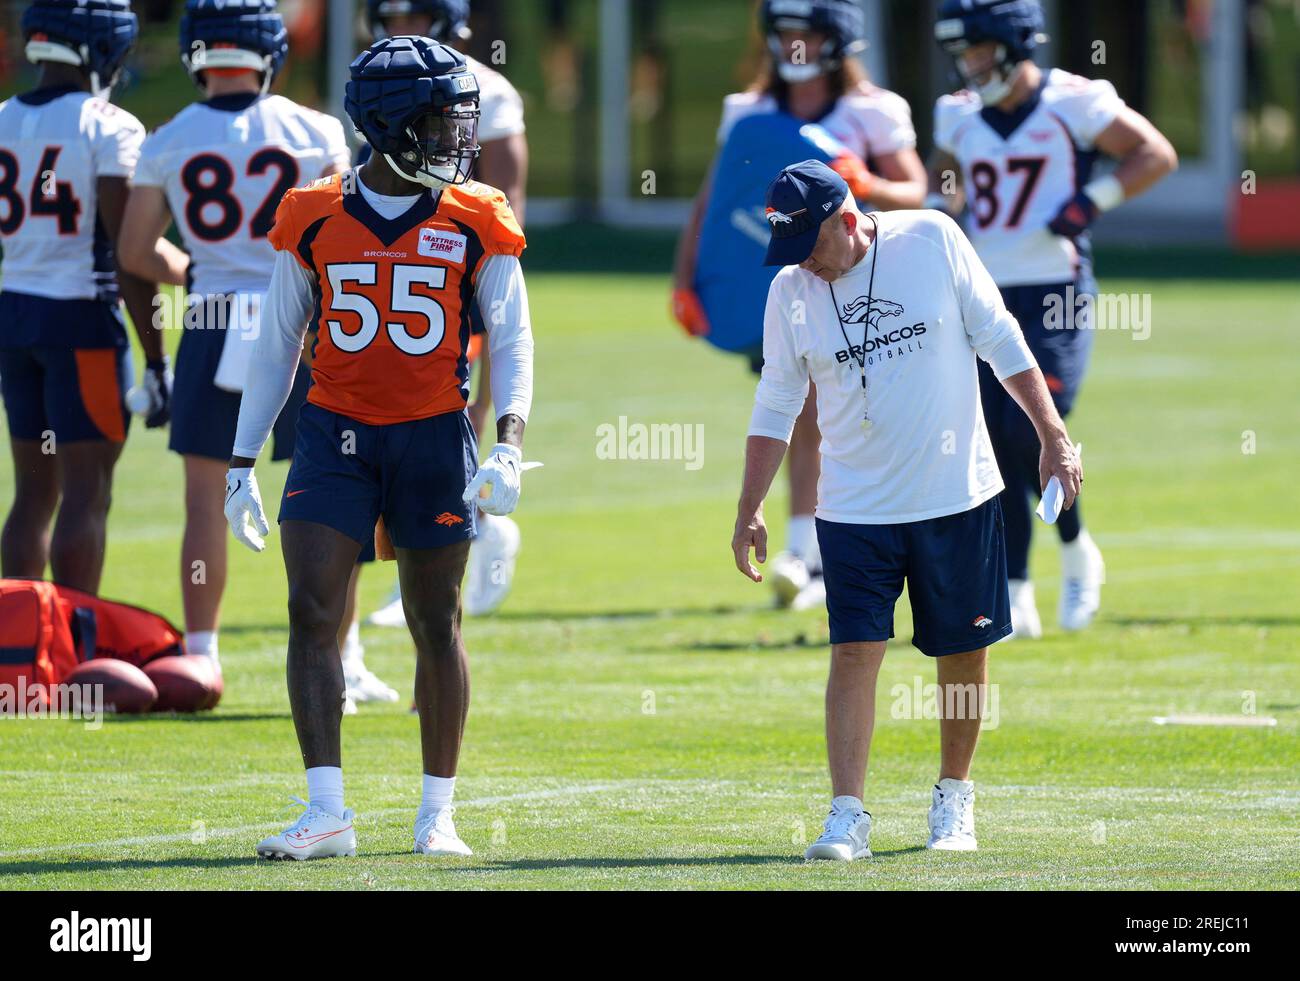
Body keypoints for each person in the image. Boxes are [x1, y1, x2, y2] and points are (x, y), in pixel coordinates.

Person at [223, 35, 535, 859]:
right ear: (393, 126)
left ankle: (438, 812)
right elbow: (275, 344)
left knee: (437, 619)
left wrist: (507, 442)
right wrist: (240, 460)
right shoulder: (314, 211)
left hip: (435, 435)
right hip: (334, 434)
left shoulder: (476, 215)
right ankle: (327, 811)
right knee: (311, 610)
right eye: (440, 123)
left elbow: (514, 336)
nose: (457, 140)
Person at [731, 160, 1082, 858]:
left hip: (958, 494)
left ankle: (955, 799)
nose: (802, 263)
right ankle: (846, 813)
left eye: (810, 244)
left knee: (963, 652)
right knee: (854, 650)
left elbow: (1000, 337)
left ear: (847, 220)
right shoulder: (789, 289)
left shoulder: (931, 239)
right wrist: (749, 506)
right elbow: (776, 399)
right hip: (854, 506)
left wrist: (1053, 435)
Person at [117, 0, 372, 688]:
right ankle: (338, 658)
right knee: (331, 489)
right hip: (307, 320)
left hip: (212, 318)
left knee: (205, 495)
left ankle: (201, 649)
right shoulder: (315, 128)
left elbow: (137, 250)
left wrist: (196, 271)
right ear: (272, 53)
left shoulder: (169, 136)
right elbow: (341, 236)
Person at [929, 0, 1178, 636]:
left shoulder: (1074, 101)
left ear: (1014, 44)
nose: (971, 64)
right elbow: (944, 191)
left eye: (980, 50)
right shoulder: (958, 113)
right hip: (984, 291)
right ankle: (1019, 581)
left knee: (1029, 426)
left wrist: (1089, 201)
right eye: (965, 52)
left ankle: (1072, 554)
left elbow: (1154, 154)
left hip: (1055, 291)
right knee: (995, 435)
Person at [673, 0, 926, 612]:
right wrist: (687, 279)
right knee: (799, 409)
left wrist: (862, 181)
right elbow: (716, 200)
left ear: (836, 40)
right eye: (784, 35)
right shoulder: (749, 111)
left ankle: (852, 549)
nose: (794, 48)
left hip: (869, 285)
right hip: (788, 284)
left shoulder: (873, 110)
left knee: (860, 416)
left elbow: (918, 190)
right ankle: (805, 553)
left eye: (807, 35)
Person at [362, 0, 530, 626]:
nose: (400, 26)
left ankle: (473, 535)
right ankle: (413, 555)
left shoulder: (487, 90)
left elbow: (505, 202)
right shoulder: (373, 73)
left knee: (451, 414)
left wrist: (468, 275)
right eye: (391, 13)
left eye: (415, 12)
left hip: (450, 270)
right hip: (387, 269)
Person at [0, 0, 168, 596]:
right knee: (87, 490)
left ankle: (18, 648)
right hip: (79, 319)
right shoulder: (107, 125)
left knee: (32, 493)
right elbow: (129, 254)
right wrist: (158, 360)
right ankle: (74, 640)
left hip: (14, 313)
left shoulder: (2, 117)